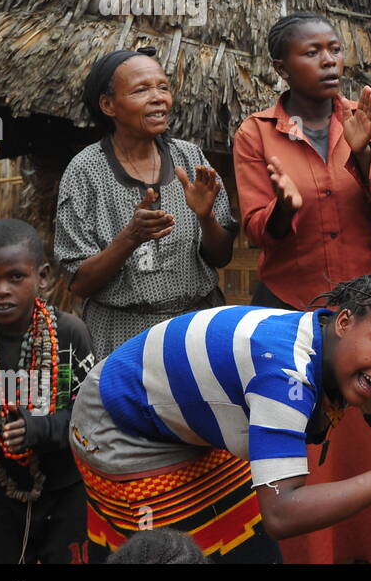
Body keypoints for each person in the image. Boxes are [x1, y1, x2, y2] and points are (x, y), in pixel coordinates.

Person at [68, 271, 371, 563]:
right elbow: (283, 510)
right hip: (120, 425)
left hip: (183, 424)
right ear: (344, 321)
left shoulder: (361, 363)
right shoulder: (283, 371)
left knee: (248, 542)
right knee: (175, 554)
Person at [233, 12, 371, 563]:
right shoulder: (255, 133)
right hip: (290, 316)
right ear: (281, 65)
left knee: (367, 441)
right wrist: (286, 211)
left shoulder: (369, 120)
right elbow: (257, 227)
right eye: (312, 52)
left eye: (334, 49)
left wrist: (362, 153)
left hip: (363, 320)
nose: (329, 60)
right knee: (303, 448)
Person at [56, 48, 236, 361]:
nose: (158, 98)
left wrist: (206, 218)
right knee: (129, 409)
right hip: (122, 336)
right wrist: (130, 238)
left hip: (195, 328)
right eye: (141, 90)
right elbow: (79, 282)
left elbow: (221, 256)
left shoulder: (190, 158)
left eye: (163, 87)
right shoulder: (85, 171)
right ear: (108, 105)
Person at [0, 220, 94, 564]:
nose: (0, 290)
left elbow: (90, 417)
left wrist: (39, 428)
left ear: (42, 277)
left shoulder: (70, 335)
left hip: (67, 490)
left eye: (15, 277)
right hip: (1, 491)